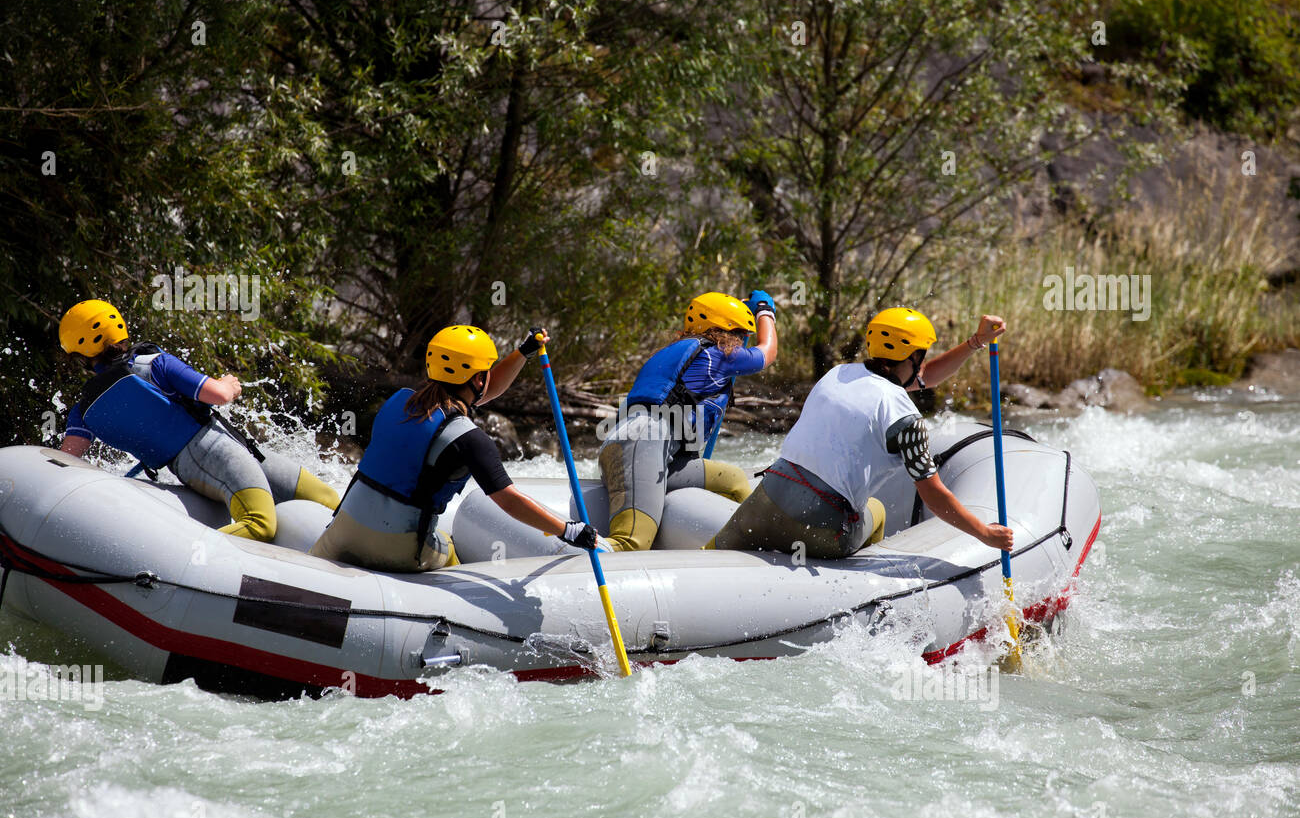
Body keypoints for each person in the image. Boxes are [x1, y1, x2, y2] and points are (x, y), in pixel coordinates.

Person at [707, 307, 1014, 558]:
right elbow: (934, 496)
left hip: (765, 504)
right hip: (823, 529)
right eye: (921, 354)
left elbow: (923, 377)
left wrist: (976, 341)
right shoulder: (908, 419)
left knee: (711, 554)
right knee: (876, 509)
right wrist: (985, 533)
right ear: (913, 357)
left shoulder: (837, 374)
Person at [309, 325, 598, 572]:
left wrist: (523, 353)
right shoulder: (468, 438)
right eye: (484, 372)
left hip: (342, 531)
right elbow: (509, 500)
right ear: (477, 378)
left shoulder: (400, 401)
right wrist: (567, 530)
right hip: (397, 548)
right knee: (447, 546)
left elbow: (483, 390)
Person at [57, 300, 340, 541]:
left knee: (327, 499)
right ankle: (184, 554)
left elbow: (68, 460)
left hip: (211, 456)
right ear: (120, 329)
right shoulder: (156, 364)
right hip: (212, 451)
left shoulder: (85, 409)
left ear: (81, 356)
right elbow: (218, 395)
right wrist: (229, 383)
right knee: (260, 524)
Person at [598, 290, 779, 552]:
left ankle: (761, 544)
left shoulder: (681, 351)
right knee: (631, 543)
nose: (743, 341)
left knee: (734, 481)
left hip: (657, 451)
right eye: (740, 334)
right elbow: (768, 352)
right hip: (643, 444)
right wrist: (765, 311)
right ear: (721, 332)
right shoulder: (717, 354)